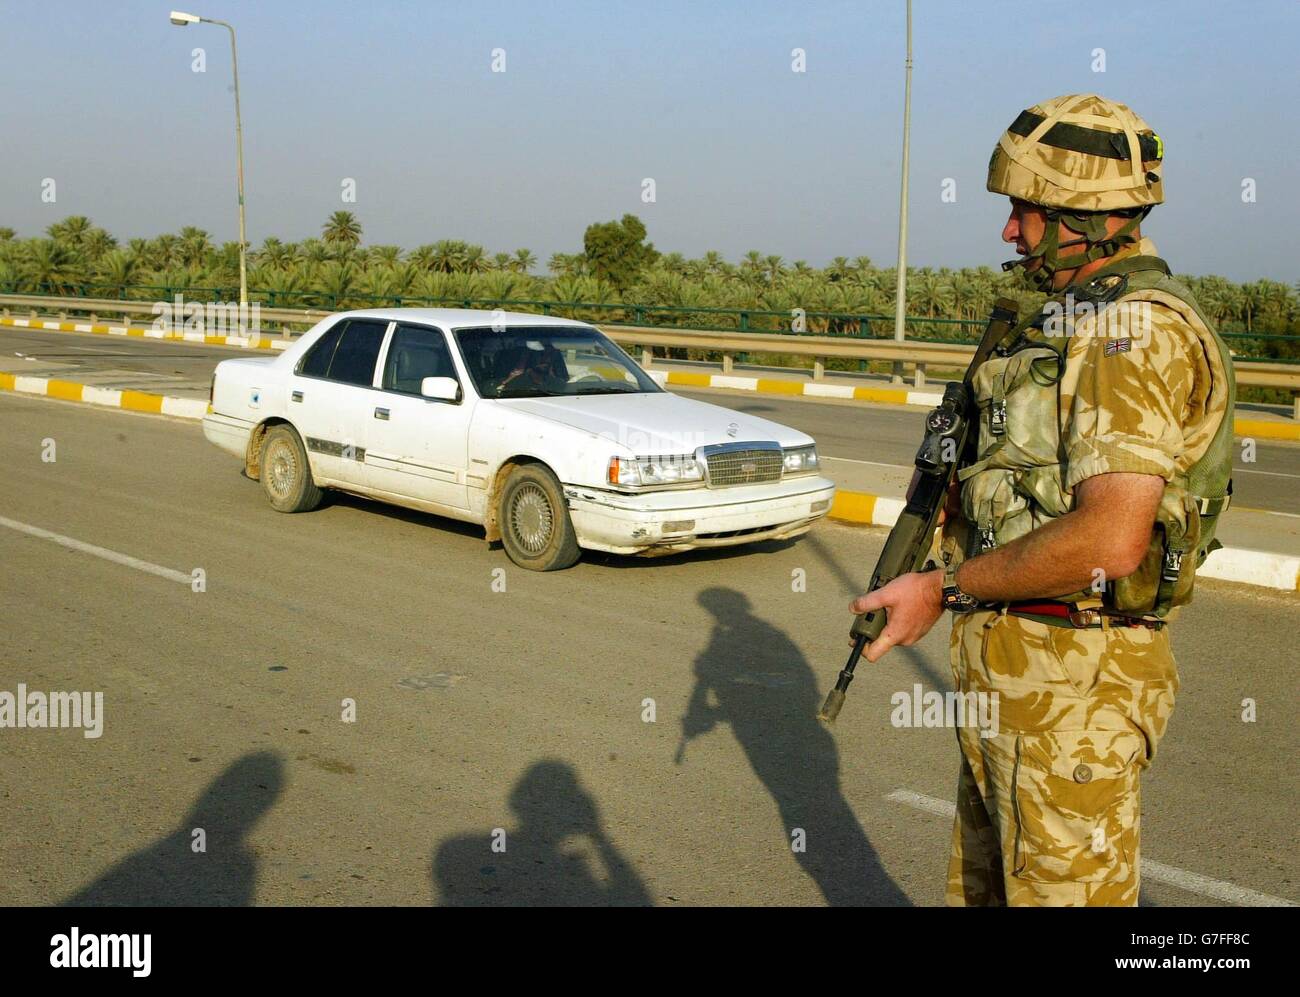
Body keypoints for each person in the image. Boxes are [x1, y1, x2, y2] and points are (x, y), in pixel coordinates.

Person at [848, 93, 1235, 906]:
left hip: (1074, 702)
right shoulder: (1067, 321)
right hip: (1027, 687)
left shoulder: (1131, 333)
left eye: (1023, 209)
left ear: (1081, 219)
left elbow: (1110, 538)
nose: (1009, 230)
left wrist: (944, 589)